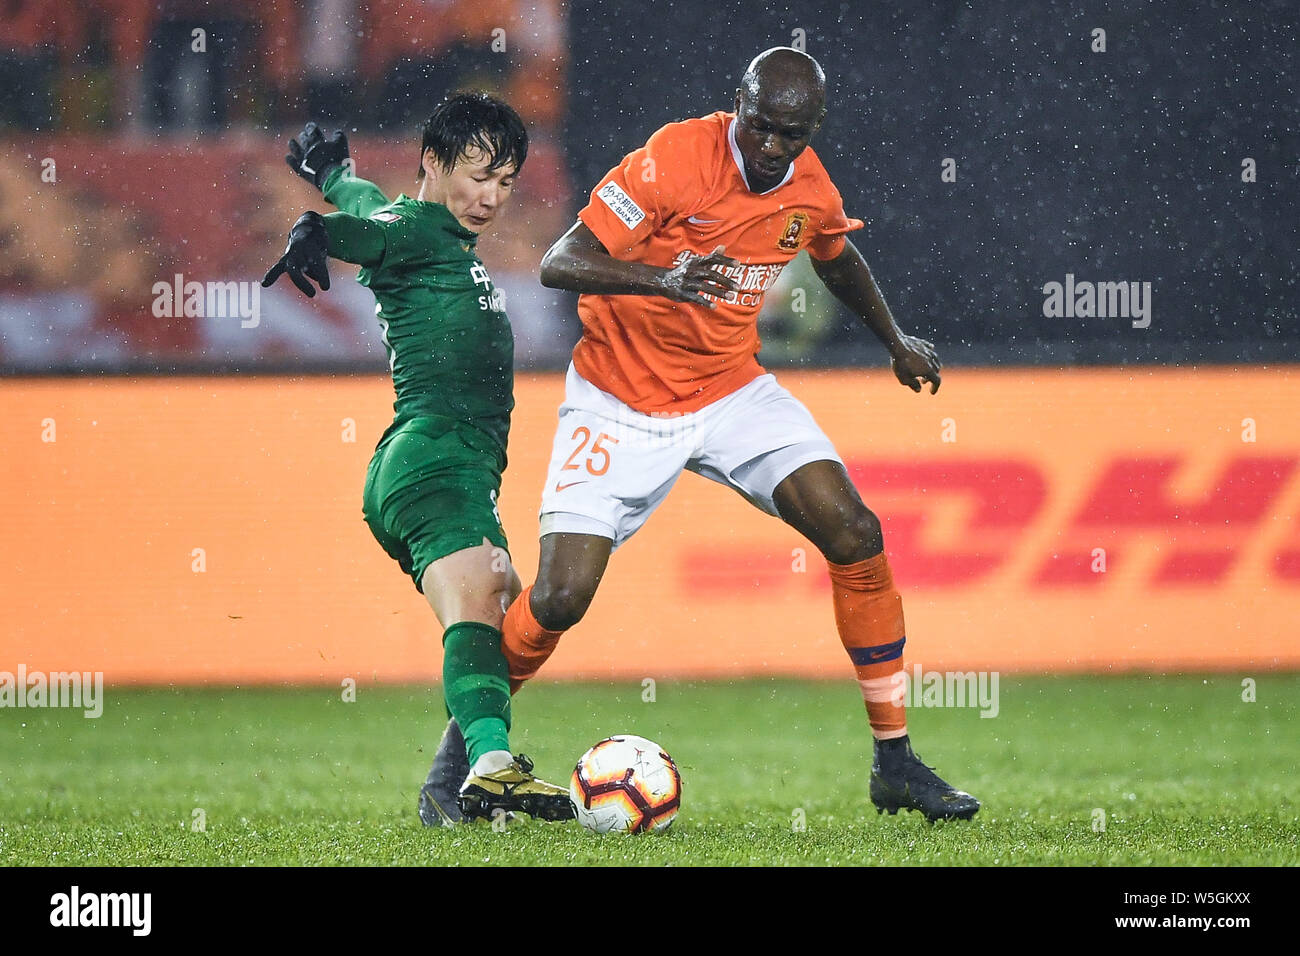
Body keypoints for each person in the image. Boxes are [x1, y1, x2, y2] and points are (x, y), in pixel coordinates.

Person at [429, 47, 980, 823]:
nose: (770, 148)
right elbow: (561, 261)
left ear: (811, 128)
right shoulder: (672, 159)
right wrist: (665, 278)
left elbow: (835, 252)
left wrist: (895, 340)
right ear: (738, 106)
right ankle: (457, 763)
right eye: (758, 127)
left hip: (729, 392)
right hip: (617, 399)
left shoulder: (810, 185)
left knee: (855, 530)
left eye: (790, 134)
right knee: (558, 597)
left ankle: (896, 764)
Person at [262, 94, 573, 827]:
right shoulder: (413, 232)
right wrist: (315, 228)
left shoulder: (431, 229)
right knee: (483, 600)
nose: (490, 198)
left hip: (438, 464)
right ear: (433, 162)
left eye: (505, 183)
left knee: (509, 613)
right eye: (477, 176)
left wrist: (333, 176)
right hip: (434, 460)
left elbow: (370, 207)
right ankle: (491, 767)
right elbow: (368, 232)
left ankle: (450, 784)